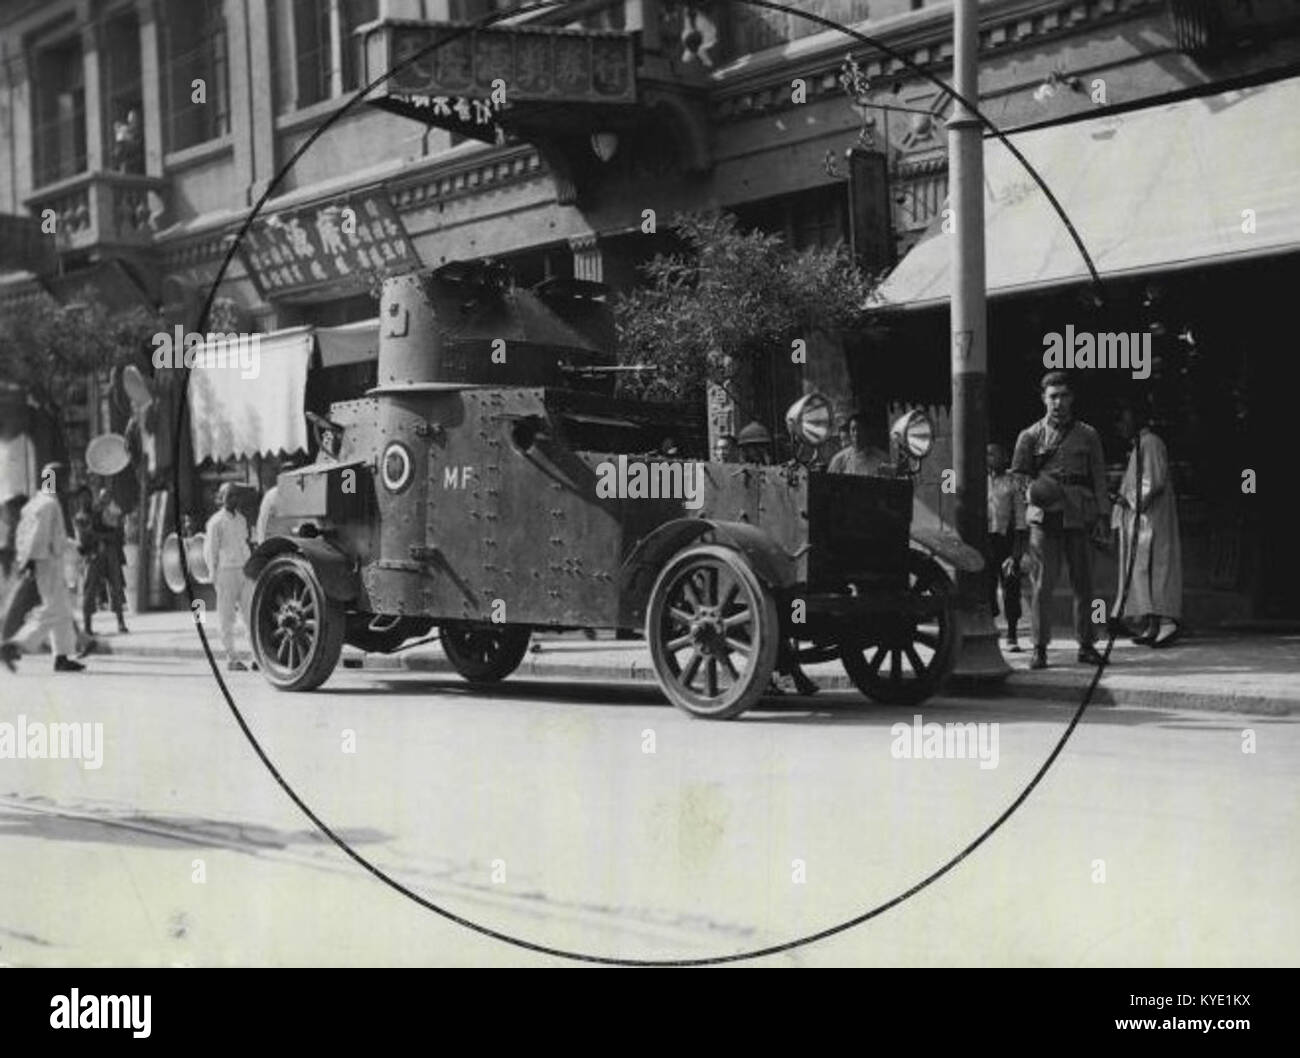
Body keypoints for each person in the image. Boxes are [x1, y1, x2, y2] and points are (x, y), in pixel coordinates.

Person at [1011, 372, 1110, 670]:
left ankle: (1088, 644)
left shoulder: (1088, 435)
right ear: (1043, 399)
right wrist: (1035, 492)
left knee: (1087, 585)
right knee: (1041, 585)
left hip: (1079, 515)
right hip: (1044, 518)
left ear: (1072, 398)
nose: (1058, 402)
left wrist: (1103, 515)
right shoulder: (1029, 436)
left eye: (1064, 395)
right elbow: (1017, 477)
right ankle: (1039, 648)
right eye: (1052, 396)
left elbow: (1099, 478)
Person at [0, 463, 85, 673]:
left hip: (46, 559)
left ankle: (62, 656)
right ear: (56, 478)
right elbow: (38, 535)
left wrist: (76, 546)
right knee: (52, 609)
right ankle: (15, 645)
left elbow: (48, 536)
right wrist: (31, 560)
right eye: (65, 478)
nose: (68, 482)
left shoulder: (39, 502)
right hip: (47, 562)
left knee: (62, 609)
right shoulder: (48, 504)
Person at [1112, 399, 1183, 647]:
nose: (1120, 425)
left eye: (1123, 419)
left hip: (1151, 519)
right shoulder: (1139, 446)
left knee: (1156, 567)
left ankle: (1166, 621)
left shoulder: (1150, 443)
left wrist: (1126, 499)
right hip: (1143, 519)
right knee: (1144, 569)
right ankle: (1152, 624)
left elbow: (1151, 483)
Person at [204, 482, 257, 672]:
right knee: (227, 618)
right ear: (221, 498)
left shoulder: (242, 519)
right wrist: (214, 575)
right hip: (225, 573)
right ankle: (231, 658)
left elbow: (246, 543)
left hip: (244, 571)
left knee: (250, 614)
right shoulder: (215, 522)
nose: (234, 499)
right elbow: (211, 551)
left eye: (236, 495)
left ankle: (256, 657)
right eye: (229, 495)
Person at [987, 442, 1027, 652]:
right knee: (987, 585)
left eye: (994, 454)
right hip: (985, 540)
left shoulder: (1013, 483)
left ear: (1004, 457)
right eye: (987, 454)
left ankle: (1012, 634)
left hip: (1006, 540)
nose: (989, 458)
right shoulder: (980, 481)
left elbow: (1020, 517)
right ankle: (990, 630)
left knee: (1010, 585)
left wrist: (1017, 551)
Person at [81, 487, 129, 635]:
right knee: (89, 591)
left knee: (116, 587)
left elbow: (116, 533)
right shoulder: (82, 516)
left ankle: (121, 622)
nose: (87, 500)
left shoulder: (105, 512)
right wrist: (102, 537)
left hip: (109, 553)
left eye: (88, 497)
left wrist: (103, 536)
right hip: (93, 555)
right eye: (84, 498)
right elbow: (85, 536)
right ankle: (88, 627)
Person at [827, 413, 892, 476]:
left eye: (860, 429)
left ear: (867, 431)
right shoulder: (839, 460)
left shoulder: (882, 459)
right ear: (849, 432)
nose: (856, 433)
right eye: (853, 430)